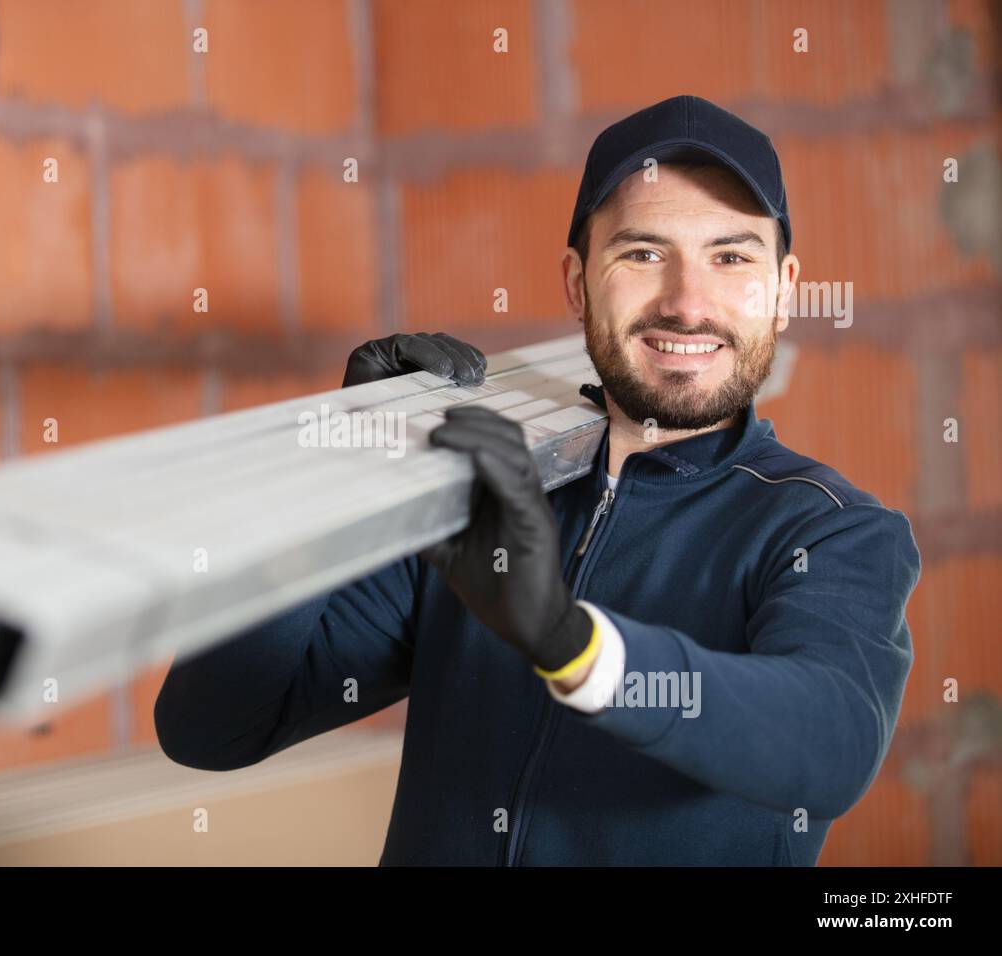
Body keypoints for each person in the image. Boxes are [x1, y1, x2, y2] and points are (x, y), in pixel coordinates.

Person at [154, 95, 921, 866]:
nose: (688, 304)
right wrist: (336, 465)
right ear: (578, 284)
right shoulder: (478, 491)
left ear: (784, 290)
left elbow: (829, 743)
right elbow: (213, 727)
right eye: (642, 254)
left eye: (731, 257)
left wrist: (568, 641)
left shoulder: (829, 531)